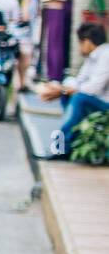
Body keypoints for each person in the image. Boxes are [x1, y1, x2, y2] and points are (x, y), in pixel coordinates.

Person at [38, 22, 109, 158]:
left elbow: (93, 89)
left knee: (78, 98)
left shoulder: (106, 55)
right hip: (95, 101)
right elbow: (78, 81)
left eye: (80, 43)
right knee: (71, 96)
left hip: (104, 104)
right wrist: (60, 88)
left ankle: (60, 149)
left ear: (87, 42)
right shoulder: (92, 57)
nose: (79, 47)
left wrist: (64, 90)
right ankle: (70, 144)